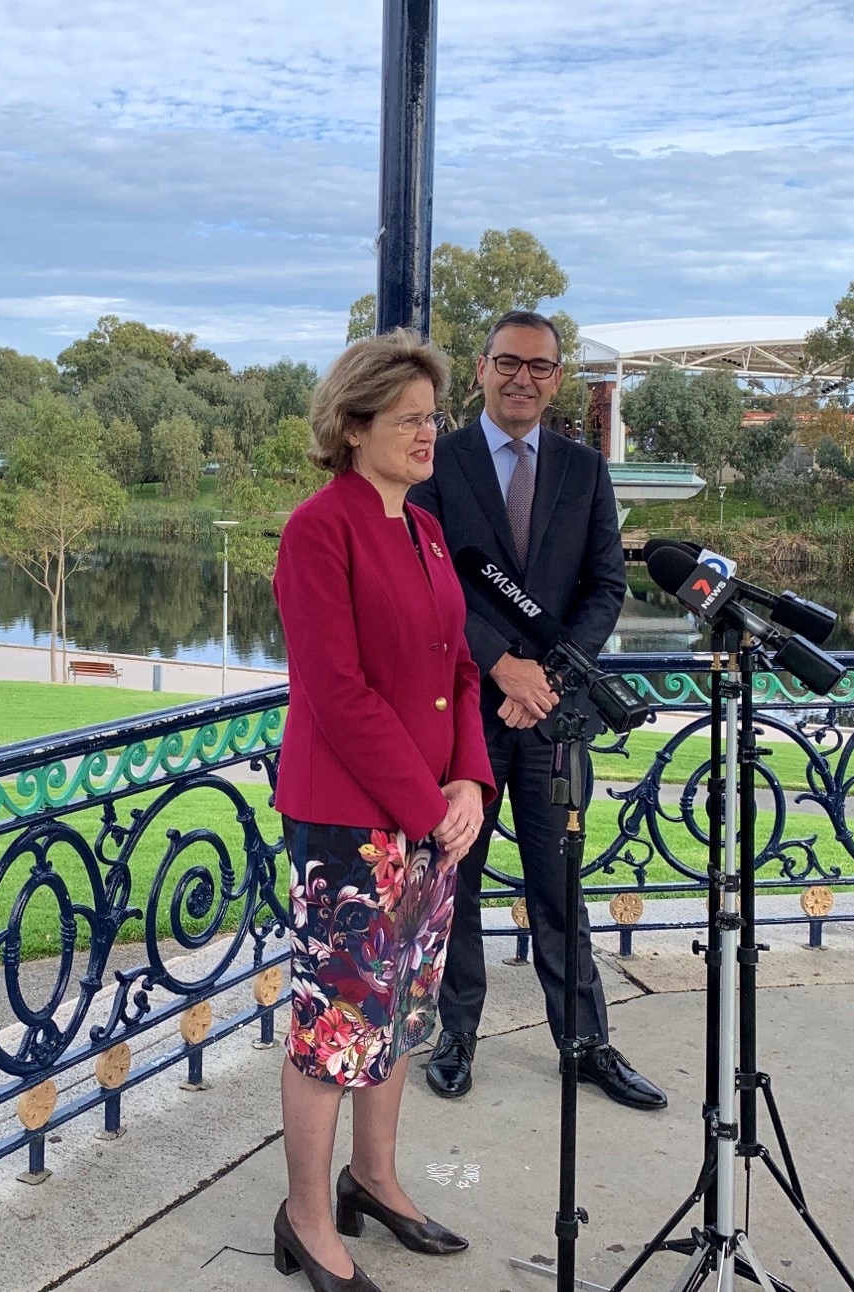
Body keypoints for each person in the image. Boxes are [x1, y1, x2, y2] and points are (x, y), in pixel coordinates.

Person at [270, 330, 495, 1292]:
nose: (427, 433)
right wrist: (425, 802)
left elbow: (461, 667)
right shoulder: (319, 530)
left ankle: (374, 1177)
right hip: (349, 823)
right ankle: (308, 1221)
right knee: (335, 1026)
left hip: (429, 819)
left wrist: (468, 781)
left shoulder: (426, 530)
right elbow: (337, 691)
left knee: (400, 1011)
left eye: (432, 417)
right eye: (408, 419)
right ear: (353, 426)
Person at [410, 310, 667, 1112]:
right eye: (508, 363)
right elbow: (427, 583)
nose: (522, 378)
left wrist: (545, 680)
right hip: (462, 713)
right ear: (481, 369)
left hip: (553, 719)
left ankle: (585, 1043)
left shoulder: (584, 470)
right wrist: (500, 664)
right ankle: (455, 1035)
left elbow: (607, 586)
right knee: (456, 878)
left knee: (560, 883)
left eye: (540, 367)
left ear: (557, 380)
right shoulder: (438, 463)